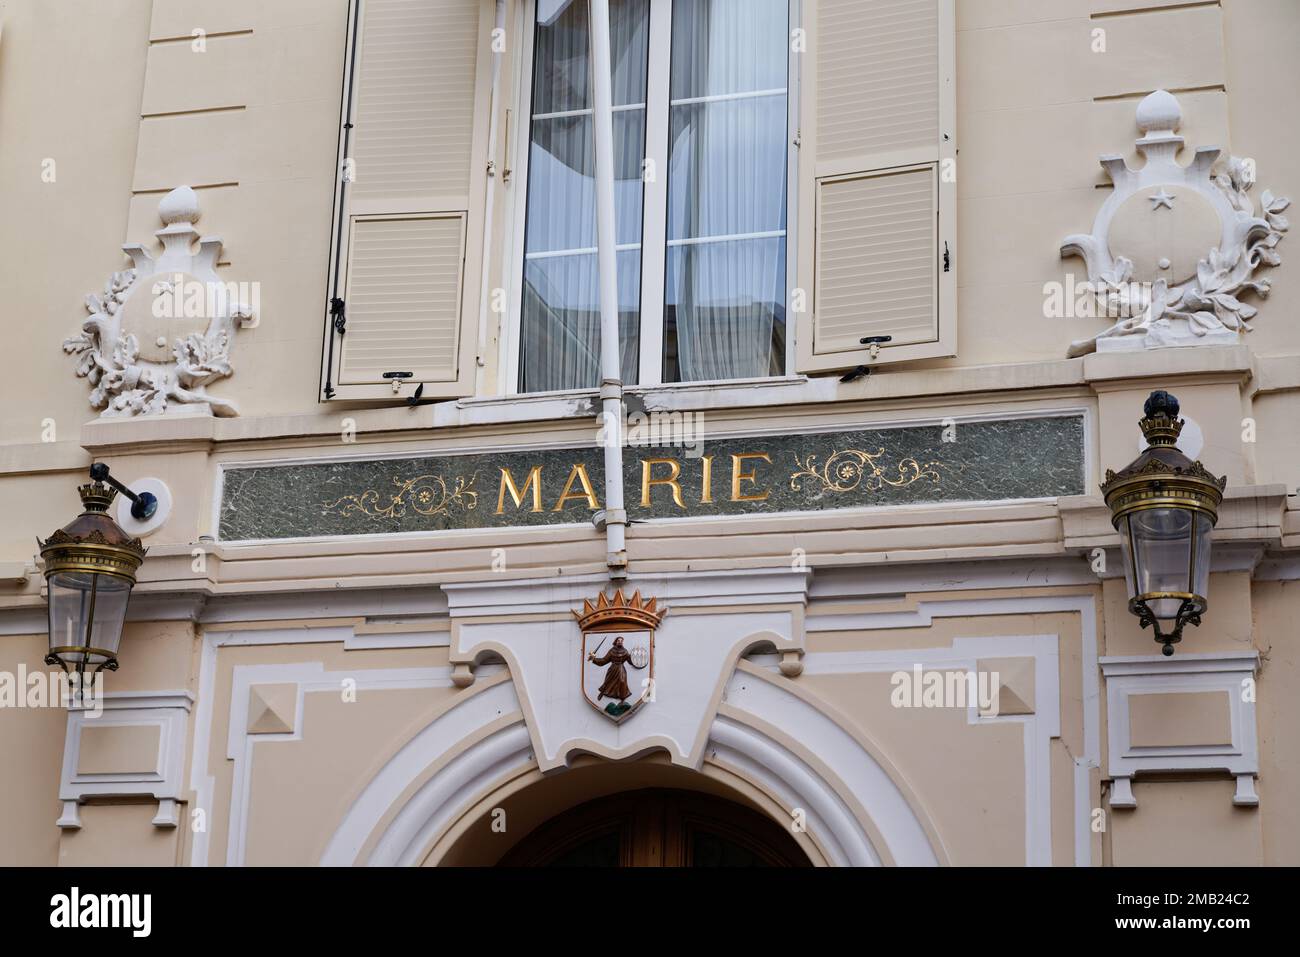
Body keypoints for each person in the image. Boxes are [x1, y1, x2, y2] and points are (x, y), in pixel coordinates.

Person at [588, 636, 632, 702]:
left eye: (621, 641)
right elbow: (604, 660)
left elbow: (630, 661)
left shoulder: (625, 651)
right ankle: (602, 693)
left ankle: (622, 700)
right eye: (618, 641)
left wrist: (632, 657)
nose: (620, 642)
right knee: (607, 682)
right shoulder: (612, 651)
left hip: (621, 669)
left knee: (622, 682)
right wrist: (594, 659)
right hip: (613, 669)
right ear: (616, 642)